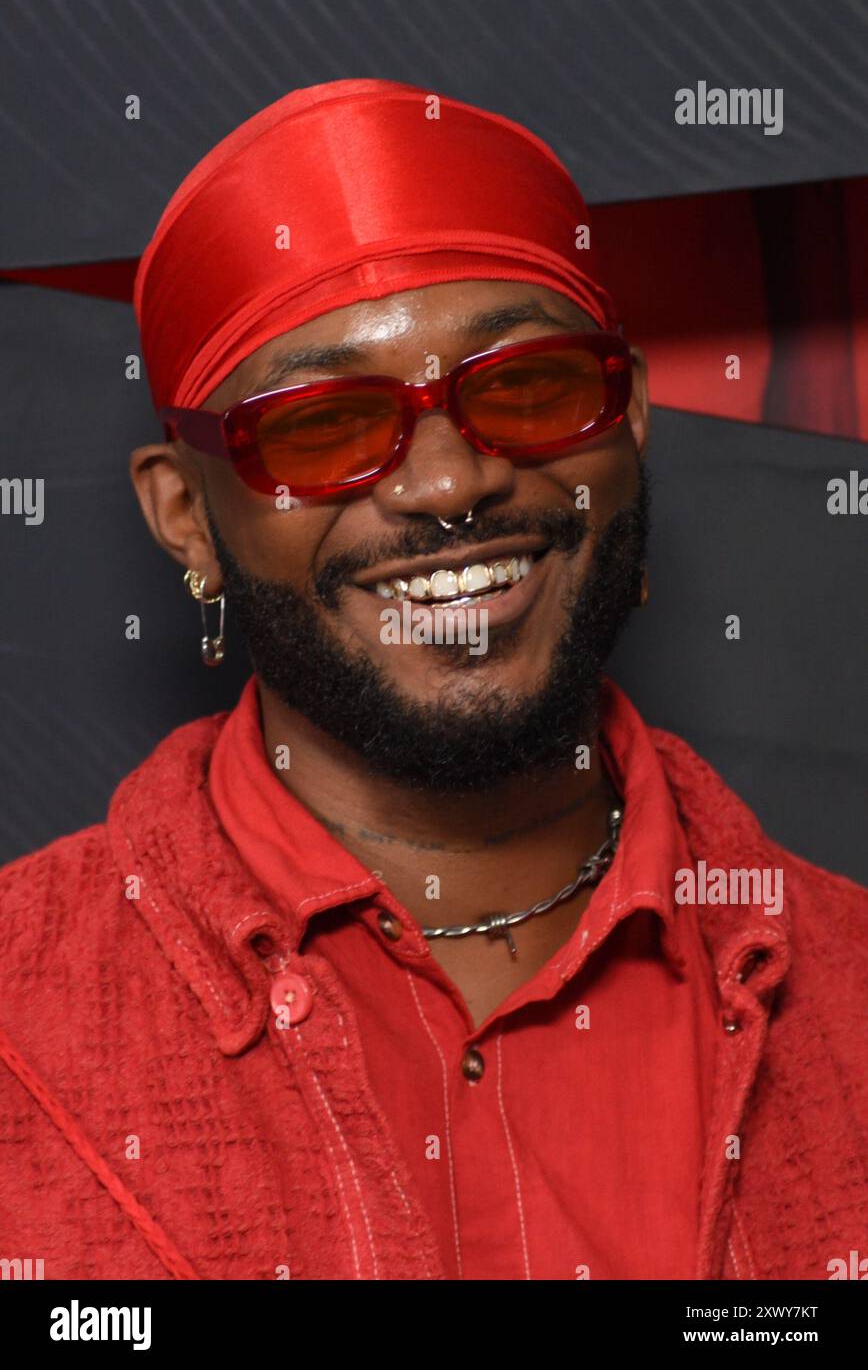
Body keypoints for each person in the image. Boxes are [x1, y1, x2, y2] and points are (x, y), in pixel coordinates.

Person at [0, 79, 865, 1283]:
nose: (449, 483)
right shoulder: (18, 1017)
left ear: (630, 431)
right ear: (187, 514)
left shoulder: (847, 984)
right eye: (320, 426)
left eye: (529, 389)